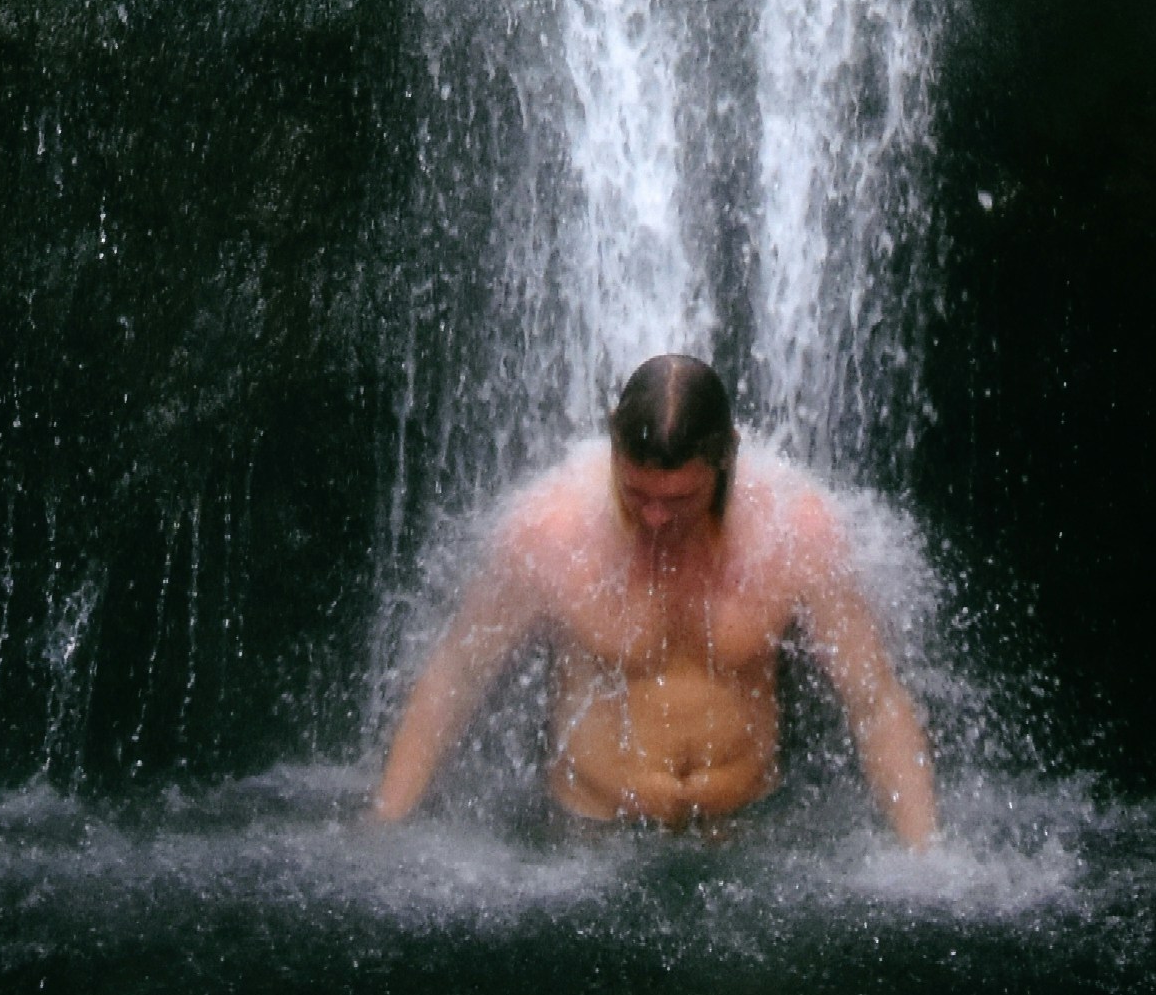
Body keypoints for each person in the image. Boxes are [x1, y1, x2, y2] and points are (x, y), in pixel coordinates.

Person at [368, 352, 939, 845]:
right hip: (592, 842)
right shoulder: (547, 534)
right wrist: (384, 823)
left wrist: (924, 856)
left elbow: (875, 702)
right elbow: (456, 676)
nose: (655, 517)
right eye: (636, 492)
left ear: (726, 457)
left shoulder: (796, 534)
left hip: (739, 837)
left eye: (680, 498)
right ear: (613, 440)